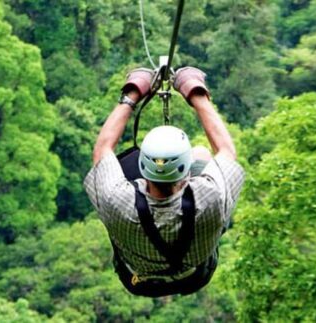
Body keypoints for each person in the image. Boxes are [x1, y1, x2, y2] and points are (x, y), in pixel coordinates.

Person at [83, 67, 244, 297]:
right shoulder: (211, 197)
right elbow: (226, 151)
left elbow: (102, 151)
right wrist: (195, 91)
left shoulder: (117, 200)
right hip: (194, 275)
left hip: (138, 280)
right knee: (201, 152)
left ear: (143, 169)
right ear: (186, 171)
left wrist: (132, 94)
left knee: (118, 166)